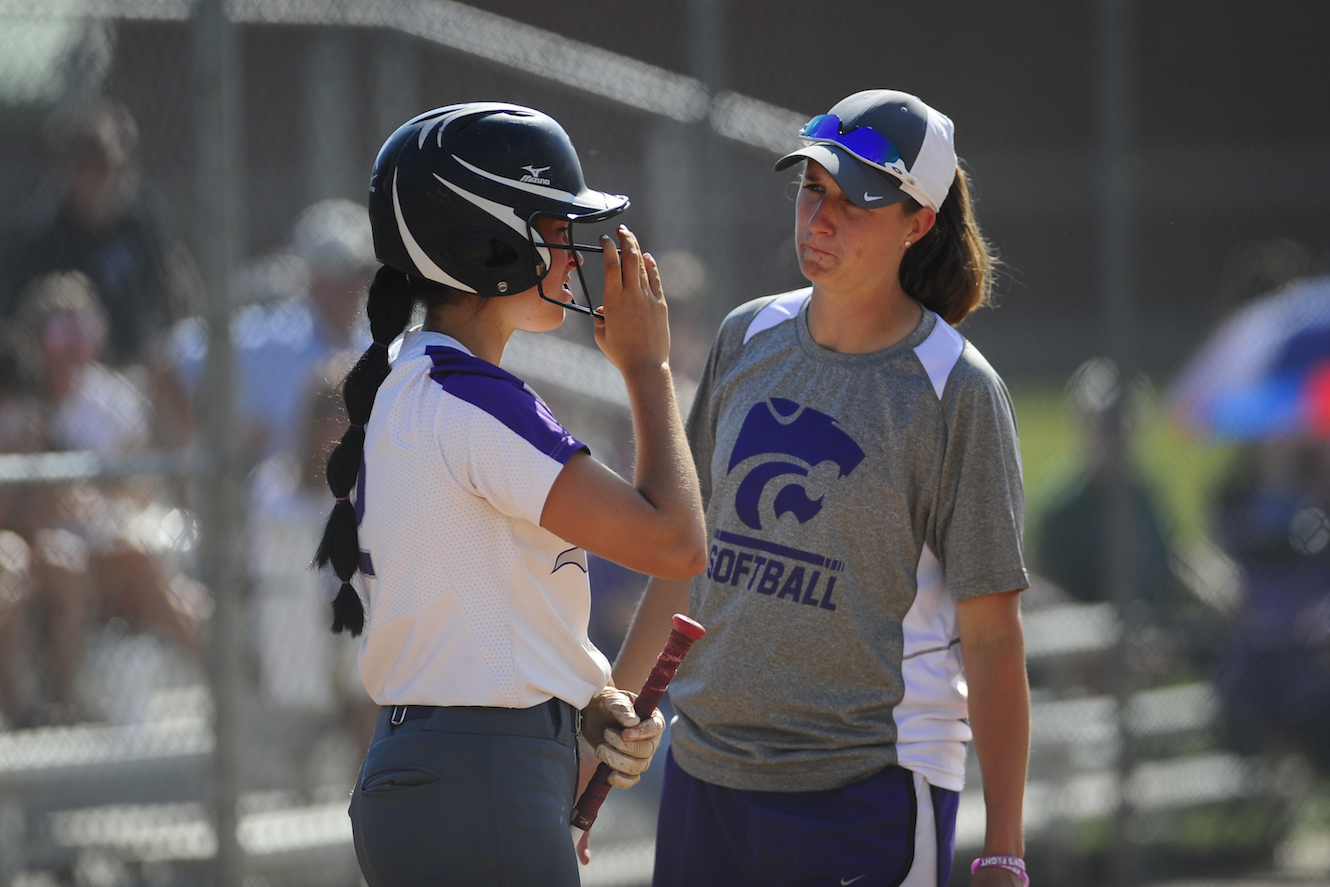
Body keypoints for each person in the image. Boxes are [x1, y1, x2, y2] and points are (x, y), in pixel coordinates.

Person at [614, 90, 1031, 887]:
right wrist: (620, 705)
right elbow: (683, 554)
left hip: (864, 793)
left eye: (856, 202)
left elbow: (992, 636)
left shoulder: (956, 391)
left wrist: (1003, 846)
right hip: (706, 776)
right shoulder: (748, 334)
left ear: (919, 222)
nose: (820, 218)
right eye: (812, 188)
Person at [317, 103, 707, 885]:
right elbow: (676, 543)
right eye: (555, 227)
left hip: (448, 773)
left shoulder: (416, 387)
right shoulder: (469, 395)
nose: (574, 252)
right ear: (487, 241)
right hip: (479, 780)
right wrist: (646, 368)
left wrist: (592, 705)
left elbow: (484, 618)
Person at [164, 198, 376, 463]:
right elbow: (171, 358)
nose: (352, 289)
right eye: (338, 278)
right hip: (286, 498)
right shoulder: (271, 337)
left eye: (359, 275)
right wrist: (197, 455)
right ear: (313, 278)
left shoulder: (376, 340)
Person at [0, 98, 200, 368]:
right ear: (64, 167)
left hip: (138, 372)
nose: (93, 175)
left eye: (103, 162)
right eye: (82, 161)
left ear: (122, 165)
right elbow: (15, 325)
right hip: (62, 383)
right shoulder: (35, 237)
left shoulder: (141, 222)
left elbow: (180, 295)